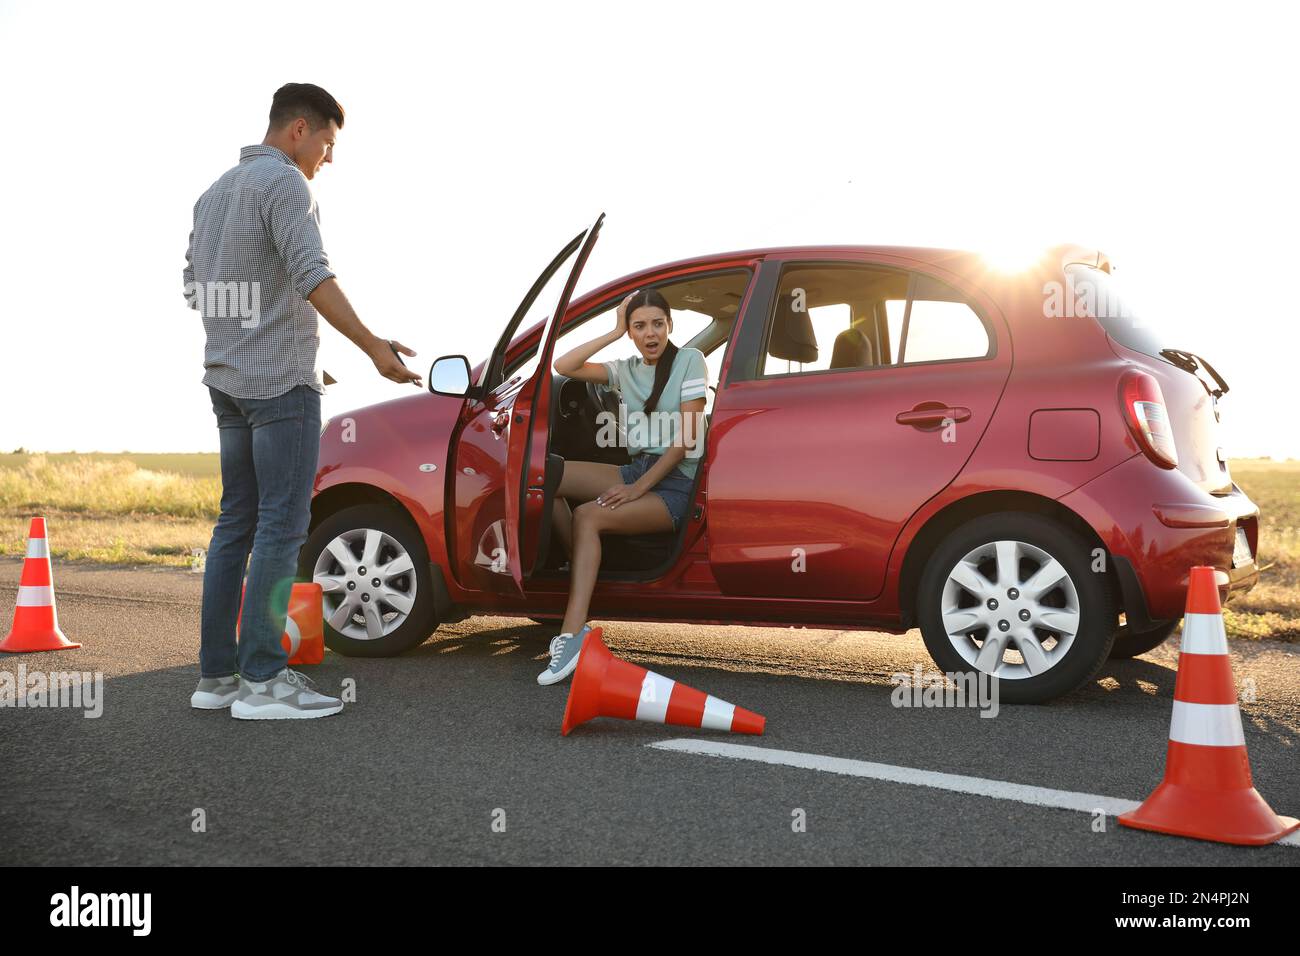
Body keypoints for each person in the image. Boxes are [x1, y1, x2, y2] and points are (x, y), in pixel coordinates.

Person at [184, 83, 422, 719]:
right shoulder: (286, 184)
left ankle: (217, 680)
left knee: (235, 522)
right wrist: (372, 346)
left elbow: (194, 287)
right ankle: (264, 680)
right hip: (280, 387)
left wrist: (265, 340)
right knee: (283, 527)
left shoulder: (213, 195)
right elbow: (313, 273)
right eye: (328, 142)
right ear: (299, 130)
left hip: (226, 379)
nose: (329, 158)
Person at [538, 289, 708, 684]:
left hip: (675, 484)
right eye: (639, 326)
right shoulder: (625, 367)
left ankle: (572, 634)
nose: (651, 334)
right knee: (546, 476)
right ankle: (584, 563)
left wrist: (637, 489)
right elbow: (564, 364)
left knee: (587, 516)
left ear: (670, 325)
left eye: (658, 324)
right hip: (637, 469)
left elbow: (686, 439)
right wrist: (613, 331)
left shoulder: (690, 361)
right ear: (631, 332)